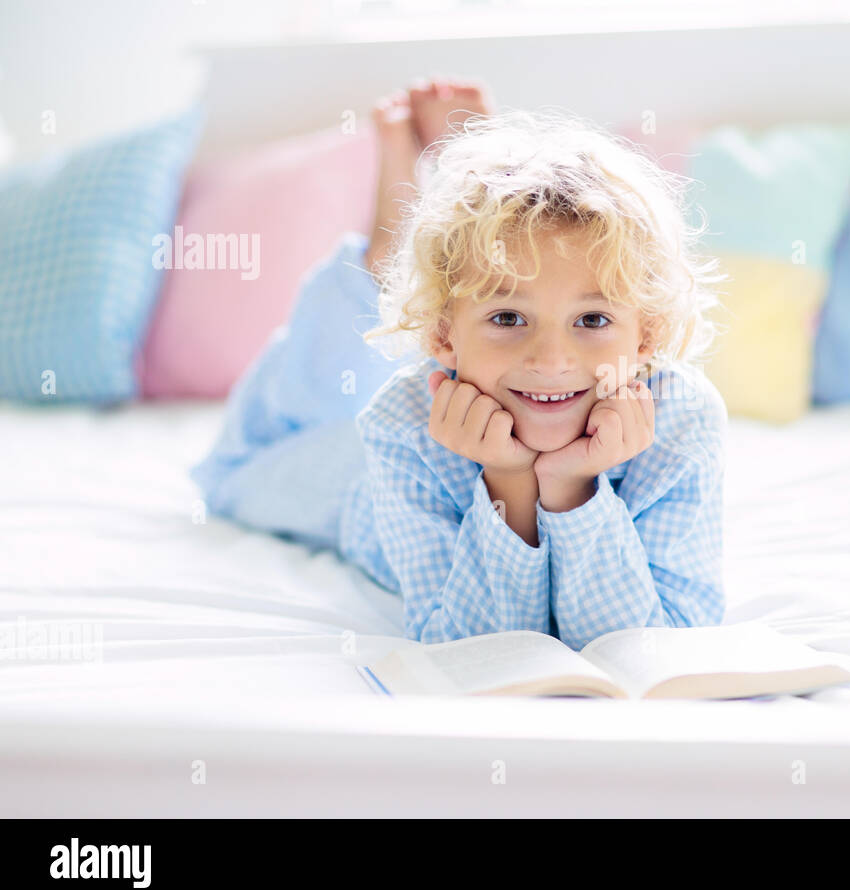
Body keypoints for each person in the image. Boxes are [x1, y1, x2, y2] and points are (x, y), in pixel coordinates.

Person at [190, 77, 729, 651]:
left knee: (417, 330)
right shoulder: (399, 424)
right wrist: (508, 485)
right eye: (508, 318)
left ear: (646, 336)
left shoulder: (681, 421)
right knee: (235, 474)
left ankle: (449, 194)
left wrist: (570, 489)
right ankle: (392, 248)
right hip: (357, 489)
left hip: (464, 382)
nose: (551, 360)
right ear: (441, 335)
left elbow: (659, 644)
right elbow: (465, 646)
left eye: (592, 321)